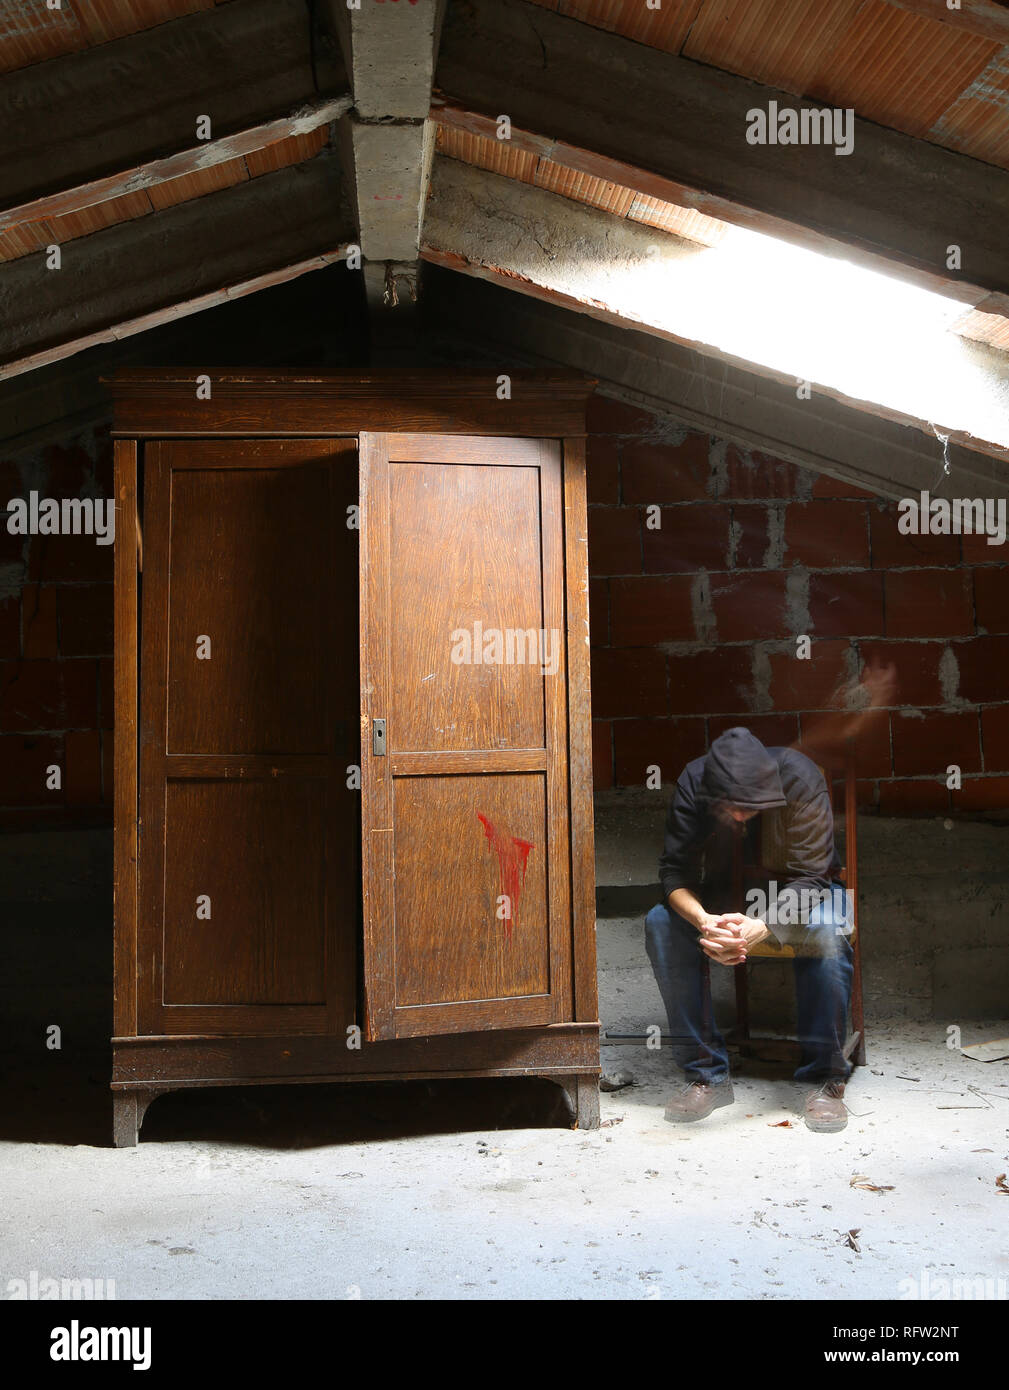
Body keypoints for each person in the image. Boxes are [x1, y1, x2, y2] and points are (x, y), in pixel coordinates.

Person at [644, 726, 854, 1132]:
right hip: (728, 897)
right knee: (660, 923)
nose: (740, 816)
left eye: (750, 806)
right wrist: (706, 921)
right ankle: (706, 1074)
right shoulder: (693, 780)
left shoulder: (800, 775)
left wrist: (766, 924)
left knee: (829, 930)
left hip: (803, 891)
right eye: (730, 807)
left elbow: (814, 875)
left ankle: (822, 1078)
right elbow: (674, 873)